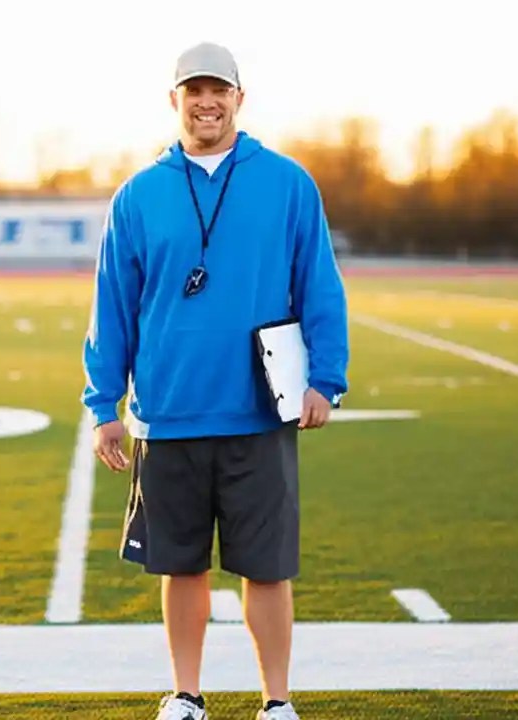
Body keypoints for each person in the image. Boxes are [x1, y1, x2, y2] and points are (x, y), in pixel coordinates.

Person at [80, 41, 349, 720]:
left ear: (239, 99)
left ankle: (277, 701)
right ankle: (187, 694)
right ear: (175, 100)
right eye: (193, 91)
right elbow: (112, 302)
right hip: (168, 412)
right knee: (181, 566)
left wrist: (327, 376)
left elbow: (319, 284)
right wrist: (102, 404)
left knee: (267, 567)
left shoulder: (288, 182)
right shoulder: (139, 195)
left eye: (219, 91)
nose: (207, 102)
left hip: (259, 413)